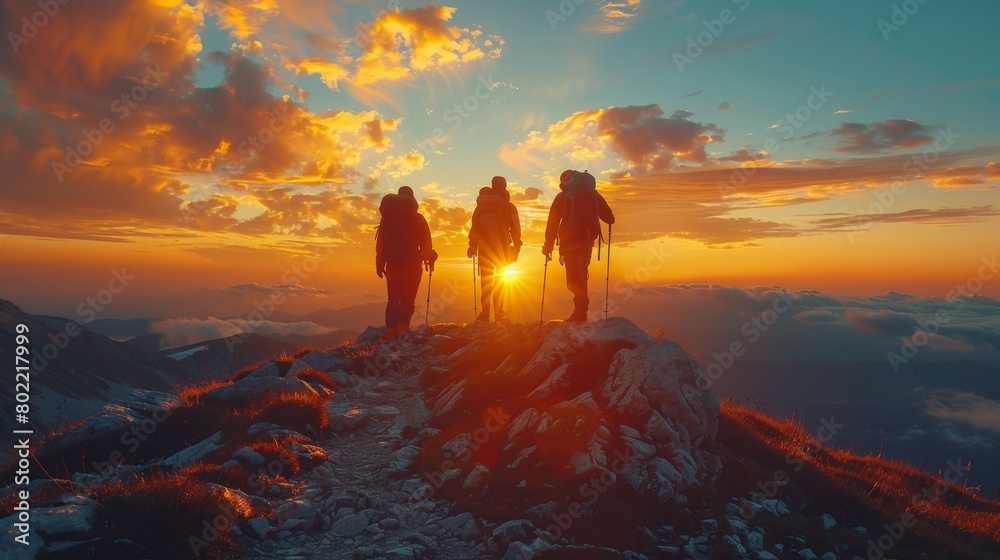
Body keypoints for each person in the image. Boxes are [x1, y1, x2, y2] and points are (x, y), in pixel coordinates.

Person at [542, 170, 614, 322]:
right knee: (581, 274)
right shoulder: (593, 195)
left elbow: (552, 223)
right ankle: (581, 311)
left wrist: (548, 245)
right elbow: (609, 218)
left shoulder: (562, 197)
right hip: (587, 241)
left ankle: (580, 312)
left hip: (569, 243)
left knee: (574, 279)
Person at [376, 186, 435, 340]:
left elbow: (380, 244)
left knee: (393, 299)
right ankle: (402, 328)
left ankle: (390, 331)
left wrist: (379, 264)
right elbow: (426, 243)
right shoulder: (418, 218)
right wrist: (429, 256)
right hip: (413, 264)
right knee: (409, 298)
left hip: (393, 264)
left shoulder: (387, 219)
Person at [468, 176, 522, 322]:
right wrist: (517, 245)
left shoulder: (481, 206)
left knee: (486, 282)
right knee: (499, 281)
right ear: (504, 186)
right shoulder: (508, 206)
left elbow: (475, 228)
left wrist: (472, 246)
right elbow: (515, 227)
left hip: (484, 248)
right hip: (501, 248)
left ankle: (485, 314)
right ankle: (499, 313)